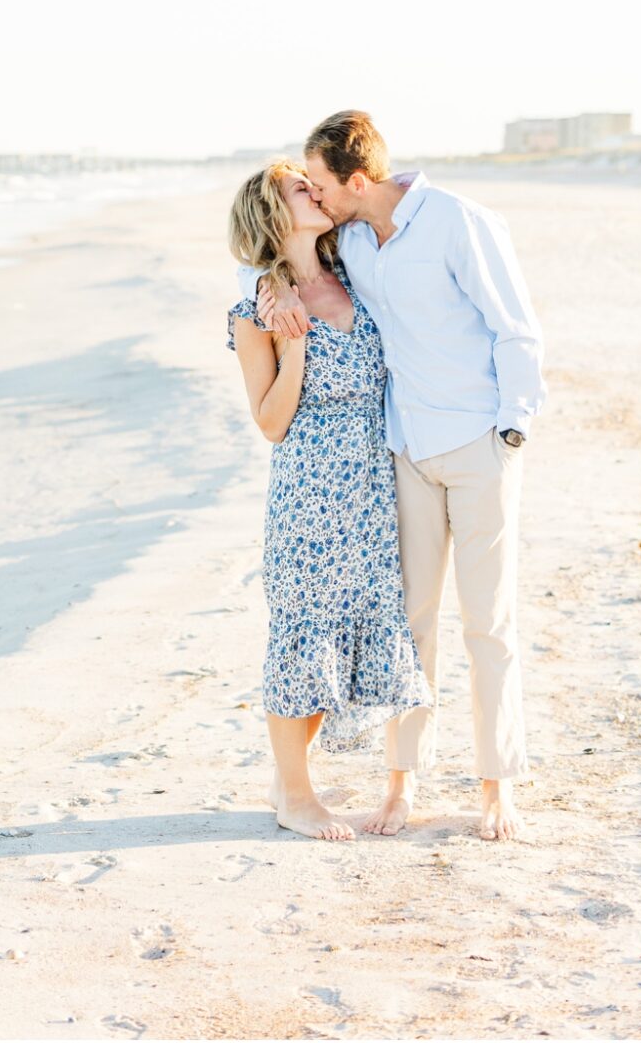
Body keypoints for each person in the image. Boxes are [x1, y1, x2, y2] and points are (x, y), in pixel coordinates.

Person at [244, 109, 548, 842]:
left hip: (479, 442)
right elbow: (269, 252)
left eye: (318, 182)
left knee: (488, 624)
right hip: (402, 451)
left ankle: (495, 786)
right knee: (407, 629)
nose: (313, 195)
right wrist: (269, 291)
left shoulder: (458, 222)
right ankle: (400, 784)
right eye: (306, 189)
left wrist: (512, 427)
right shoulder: (348, 240)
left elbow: (515, 326)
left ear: (355, 180)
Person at [226, 158, 431, 841]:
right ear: (273, 214)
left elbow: (391, 182)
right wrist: (294, 354)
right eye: (297, 189)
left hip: (370, 493)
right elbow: (269, 423)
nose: (314, 191)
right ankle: (295, 795)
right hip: (308, 497)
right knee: (302, 639)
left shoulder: (353, 274)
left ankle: (290, 782)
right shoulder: (256, 309)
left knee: (352, 633)